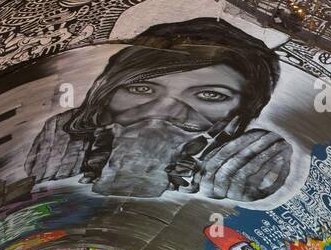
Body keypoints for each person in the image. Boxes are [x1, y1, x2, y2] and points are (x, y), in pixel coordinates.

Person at [23, 19, 292, 201]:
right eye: (142, 89)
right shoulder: (63, 149)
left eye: (209, 95)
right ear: (102, 103)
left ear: (236, 124)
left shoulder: (241, 159)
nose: (164, 111)